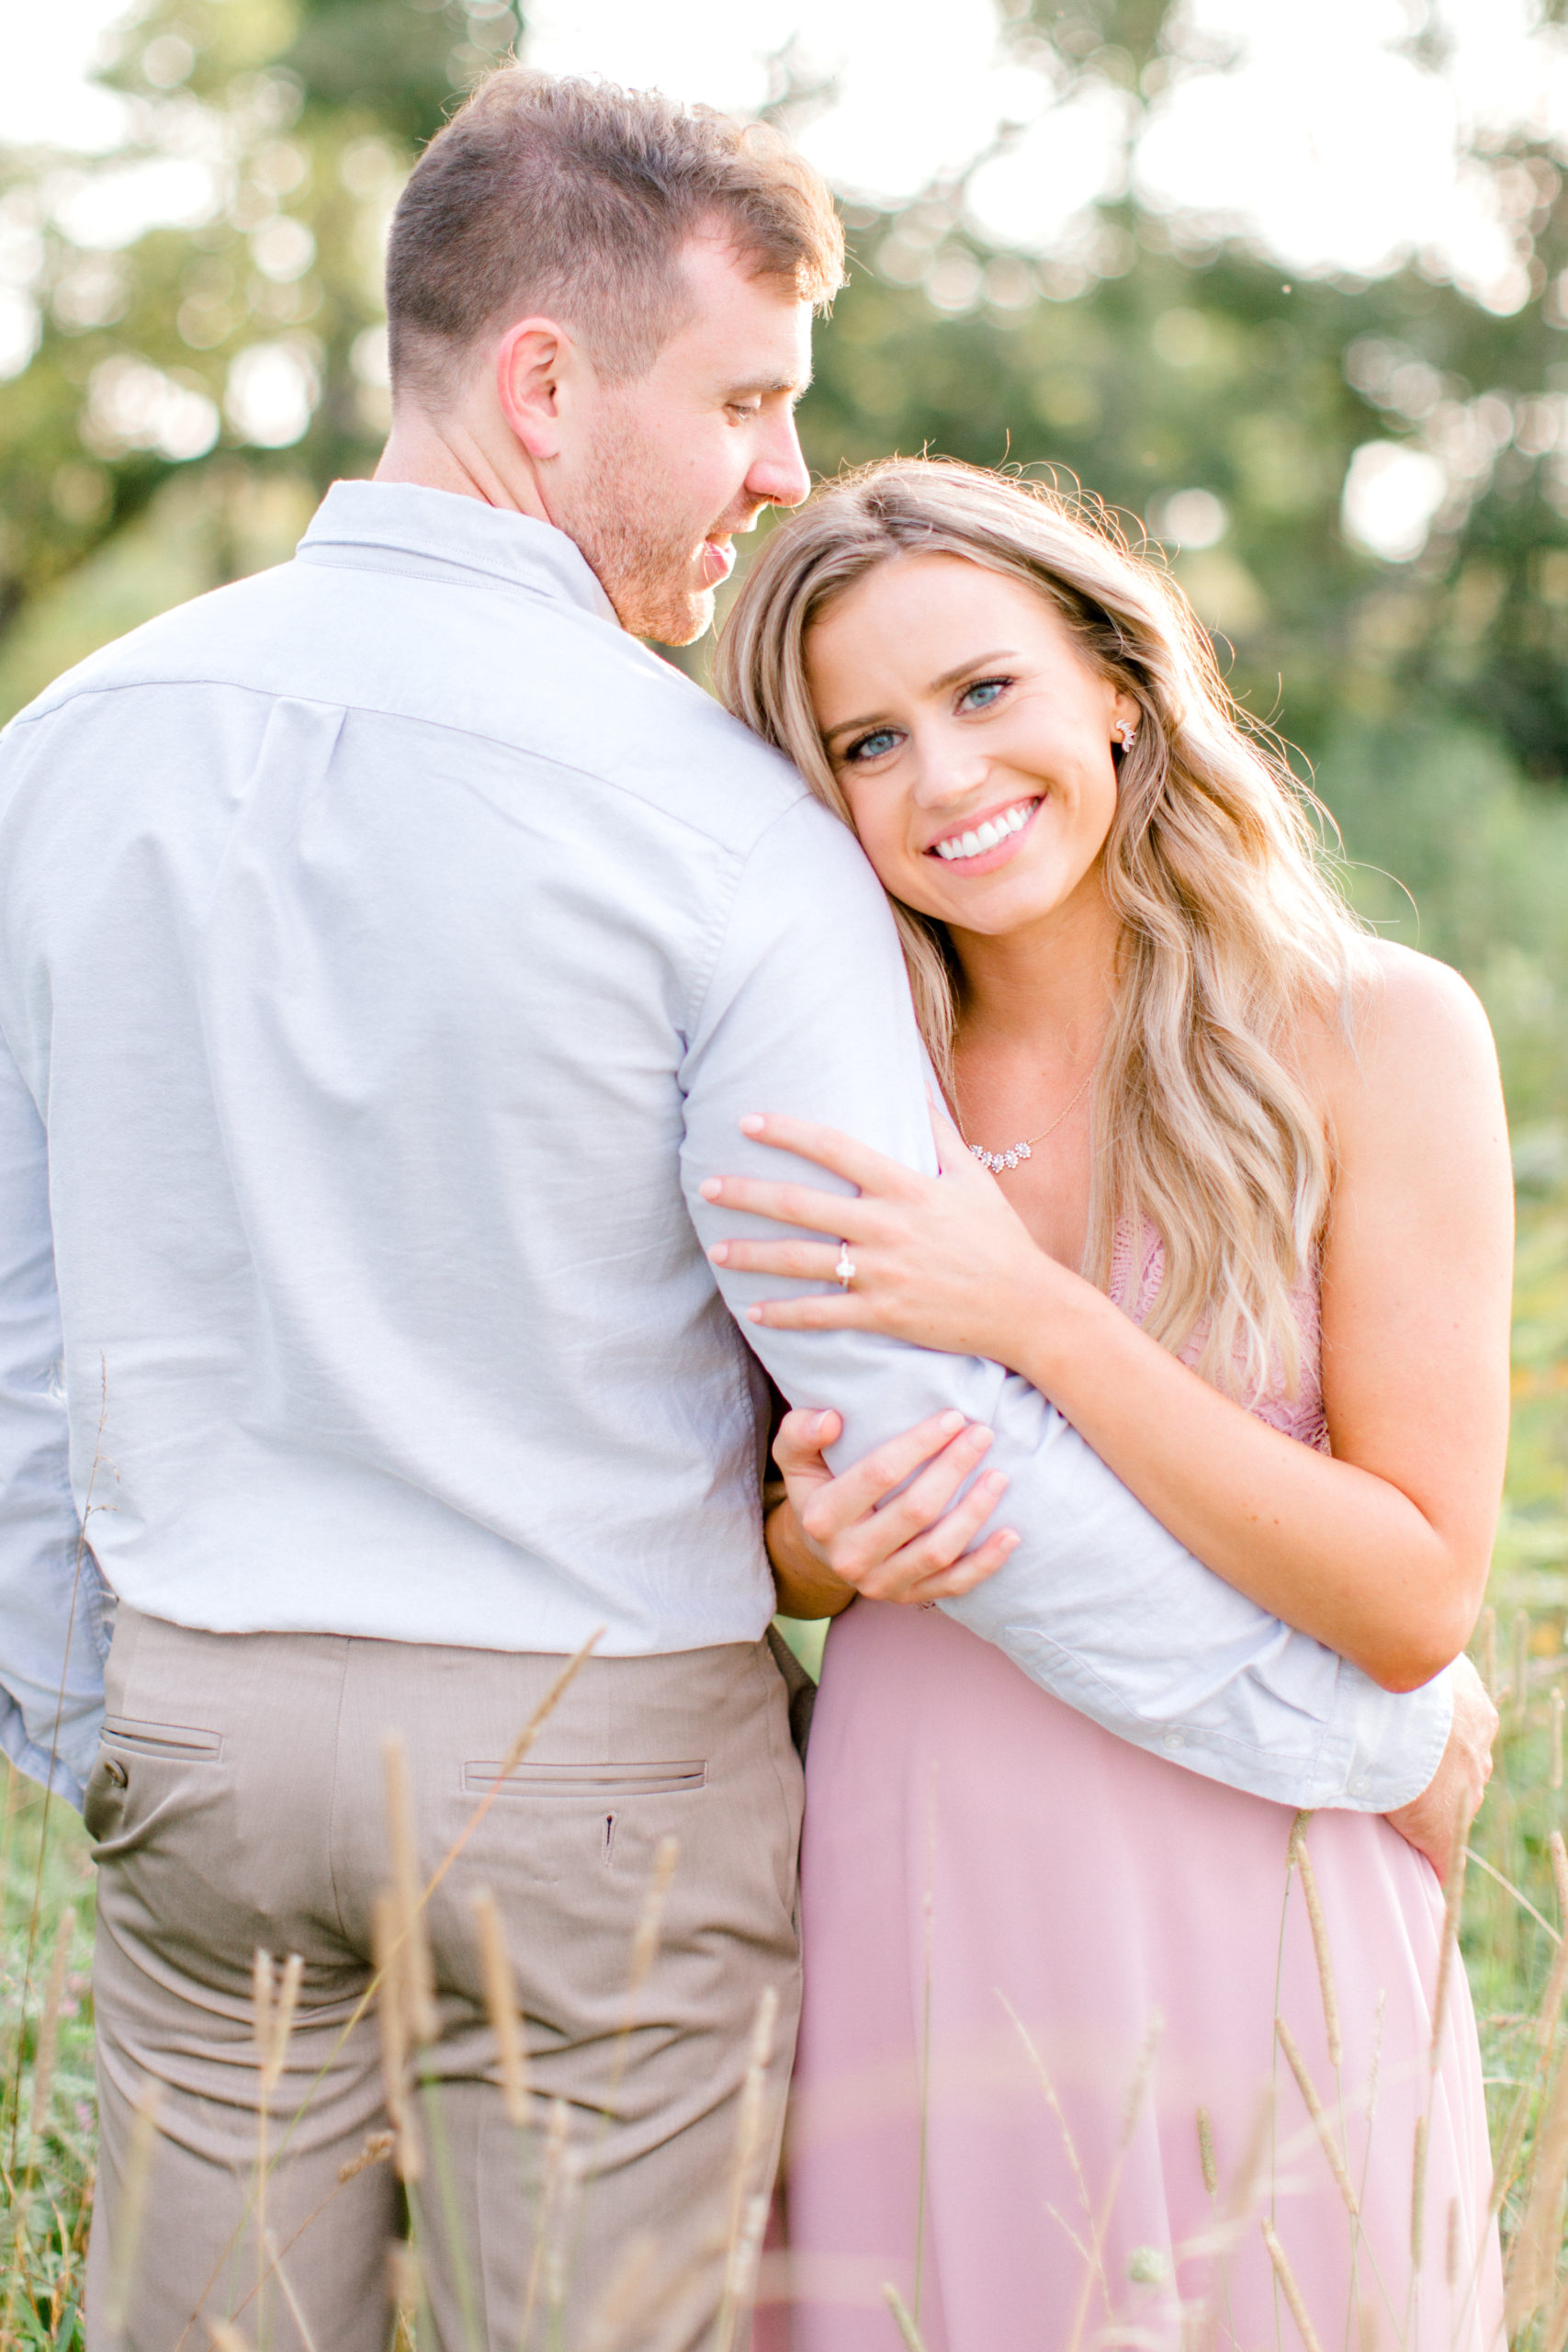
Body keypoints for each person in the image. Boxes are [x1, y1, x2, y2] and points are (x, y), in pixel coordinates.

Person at [0, 67, 1486, 2352]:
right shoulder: (710, 823)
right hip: (628, 1777)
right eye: (745, 397)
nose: (778, 461)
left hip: (203, 1734)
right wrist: (1361, 1732)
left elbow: (23, 1294)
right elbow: (913, 1447)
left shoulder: (67, 747)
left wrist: (91, 1703)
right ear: (540, 382)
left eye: (983, 694)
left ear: (1113, 689)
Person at [707, 458, 1512, 2347]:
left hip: (1259, 1856)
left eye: (984, 692)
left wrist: (1039, 1320)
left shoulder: (1369, 1032)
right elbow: (764, 1532)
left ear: (1117, 688)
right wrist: (806, 1544)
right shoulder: (833, 1078)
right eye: (868, 740)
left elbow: (1413, 1595)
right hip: (921, 1864)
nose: (947, 779)